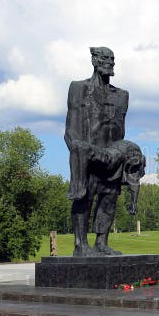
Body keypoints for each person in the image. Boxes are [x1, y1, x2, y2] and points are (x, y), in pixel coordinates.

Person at [65, 46, 145, 256]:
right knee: (84, 197)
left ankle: (101, 242)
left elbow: (119, 129)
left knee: (109, 198)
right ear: (94, 61)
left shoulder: (122, 95)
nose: (110, 63)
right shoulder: (79, 88)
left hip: (114, 157)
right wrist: (78, 151)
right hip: (89, 156)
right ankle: (81, 245)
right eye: (105, 59)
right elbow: (70, 129)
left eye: (112, 59)